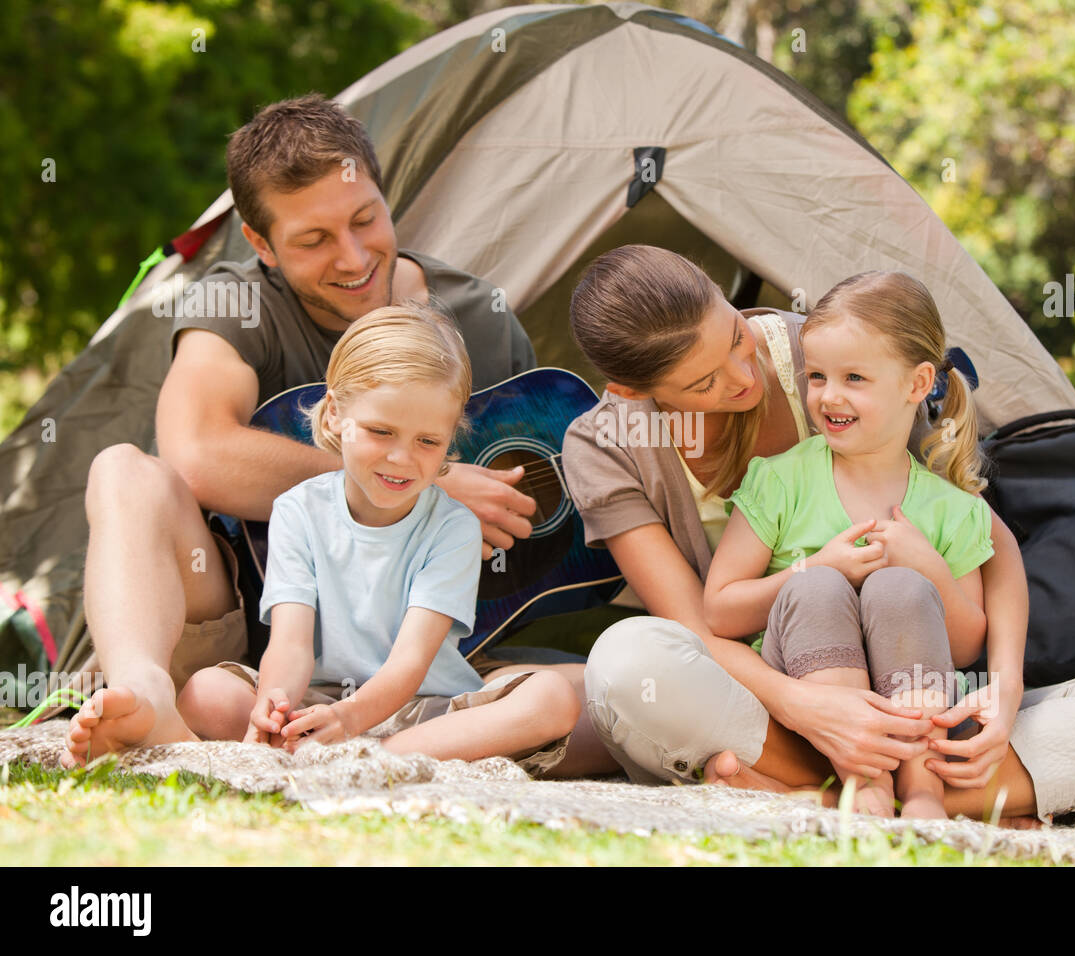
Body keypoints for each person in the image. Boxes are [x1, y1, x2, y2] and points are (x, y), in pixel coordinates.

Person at [62, 95, 615, 776]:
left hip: (432, 649)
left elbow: (540, 494)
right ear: (260, 242)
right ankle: (146, 690)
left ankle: (347, 748)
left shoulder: (475, 312)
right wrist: (428, 479)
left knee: (612, 696)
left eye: (364, 219)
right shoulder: (236, 303)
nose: (354, 258)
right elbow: (199, 453)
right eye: (314, 239)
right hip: (244, 628)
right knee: (123, 469)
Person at [563, 244, 1075, 825]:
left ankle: (840, 797)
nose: (742, 375)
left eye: (734, 336)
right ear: (633, 393)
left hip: (918, 708)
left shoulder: (835, 349)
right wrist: (806, 705)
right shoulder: (607, 445)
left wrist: (1005, 688)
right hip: (768, 696)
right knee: (627, 664)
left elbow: (988, 550)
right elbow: (700, 625)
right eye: (704, 384)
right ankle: (890, 794)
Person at [176, 307, 579, 768]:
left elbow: (410, 664)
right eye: (380, 431)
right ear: (333, 418)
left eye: (428, 441)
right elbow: (290, 644)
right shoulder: (297, 510)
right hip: (317, 703)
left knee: (551, 698)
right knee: (204, 693)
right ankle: (321, 751)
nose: (402, 458)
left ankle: (373, 760)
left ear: (450, 441)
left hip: (422, 711)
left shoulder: (452, 526)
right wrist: (275, 705)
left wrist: (349, 721)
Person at [702, 271, 996, 818]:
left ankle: (922, 789)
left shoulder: (952, 508)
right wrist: (812, 566)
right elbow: (718, 611)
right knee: (818, 586)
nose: (829, 396)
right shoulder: (781, 480)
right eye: (817, 376)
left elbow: (964, 648)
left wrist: (928, 567)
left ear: (916, 384)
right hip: (803, 710)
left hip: (917, 721)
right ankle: (866, 784)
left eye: (854, 377)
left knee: (901, 586)